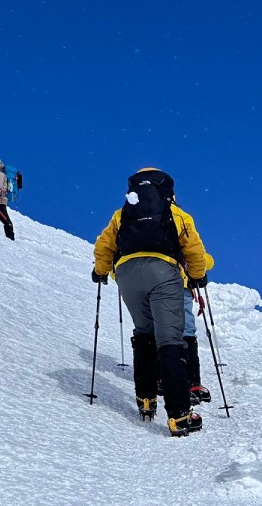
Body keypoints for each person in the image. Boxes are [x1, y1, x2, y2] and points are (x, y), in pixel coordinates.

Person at [92, 168, 208, 436]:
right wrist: (198, 275)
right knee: (169, 340)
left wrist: (100, 270)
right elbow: (194, 249)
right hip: (163, 272)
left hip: (127, 274)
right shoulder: (177, 214)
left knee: (144, 334)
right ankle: (180, 415)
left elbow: (104, 245)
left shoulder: (122, 214)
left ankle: (146, 400)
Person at [183, 252, 215, 405]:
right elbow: (206, 261)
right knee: (186, 331)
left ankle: (159, 377)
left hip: (151, 283)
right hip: (180, 285)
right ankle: (192, 382)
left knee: (159, 329)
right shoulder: (183, 239)